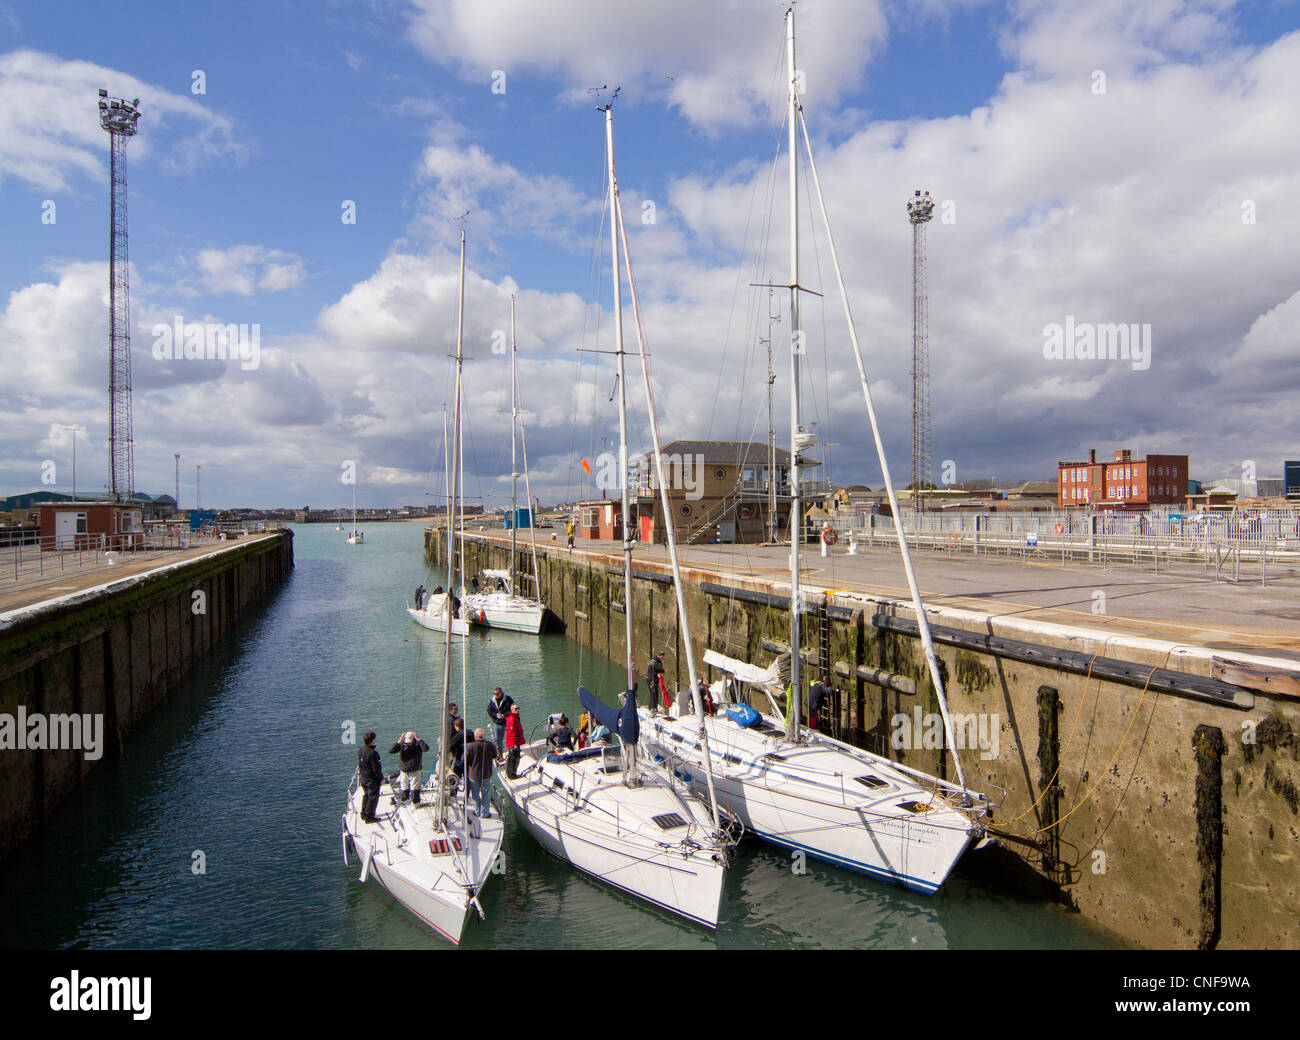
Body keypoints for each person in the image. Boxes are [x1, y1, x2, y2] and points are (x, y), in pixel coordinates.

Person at [580, 685, 641, 786]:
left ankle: (631, 772)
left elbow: (595, 736)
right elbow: (594, 736)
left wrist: (586, 737)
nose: (593, 722)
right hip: (600, 744)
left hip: (603, 744)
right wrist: (586, 736)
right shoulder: (599, 727)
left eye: (594, 721)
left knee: (592, 743)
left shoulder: (602, 728)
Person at [388, 730, 430, 804]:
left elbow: (426, 749)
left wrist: (418, 739)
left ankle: (416, 803)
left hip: (415, 771)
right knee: (404, 793)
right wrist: (399, 741)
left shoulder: (418, 745)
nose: (409, 744)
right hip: (404, 771)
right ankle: (404, 803)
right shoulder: (402, 745)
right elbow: (391, 750)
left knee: (414, 794)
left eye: (410, 742)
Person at [465, 727, 497, 819]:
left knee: (475, 794)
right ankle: (485, 813)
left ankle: (477, 811)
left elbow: (464, 759)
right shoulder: (489, 745)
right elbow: (494, 755)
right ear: (483, 736)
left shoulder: (470, 747)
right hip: (486, 773)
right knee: (485, 795)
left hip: (474, 774)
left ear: (475, 736)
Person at [358, 731, 384, 823]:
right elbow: (376, 769)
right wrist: (381, 778)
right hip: (372, 779)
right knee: (373, 797)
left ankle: (363, 813)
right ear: (372, 740)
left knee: (366, 796)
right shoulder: (373, 753)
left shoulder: (361, 750)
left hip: (363, 777)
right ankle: (369, 816)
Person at [486, 687, 514, 756]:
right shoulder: (492, 701)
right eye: (494, 693)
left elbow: (513, 709)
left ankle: (511, 753)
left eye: (497, 693)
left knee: (510, 738)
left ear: (501, 692)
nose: (496, 695)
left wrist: (504, 715)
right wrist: (496, 715)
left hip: (508, 722)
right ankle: (500, 755)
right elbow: (489, 711)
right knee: (498, 740)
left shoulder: (508, 699)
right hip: (498, 723)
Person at [504, 703, 525, 780]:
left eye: (518, 708)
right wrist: (515, 744)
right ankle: (512, 775)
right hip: (514, 743)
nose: (517, 710)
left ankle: (510, 773)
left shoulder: (514, 717)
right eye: (515, 709)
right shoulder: (512, 718)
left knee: (511, 758)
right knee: (514, 759)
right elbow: (512, 732)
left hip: (513, 742)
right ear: (512, 710)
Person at [646, 652, 665, 717]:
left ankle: (650, 707)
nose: (663, 658)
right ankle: (653, 710)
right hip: (652, 679)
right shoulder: (656, 662)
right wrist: (657, 674)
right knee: (654, 694)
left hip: (649, 678)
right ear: (659, 656)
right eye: (662, 656)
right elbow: (653, 671)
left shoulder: (652, 661)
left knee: (652, 693)